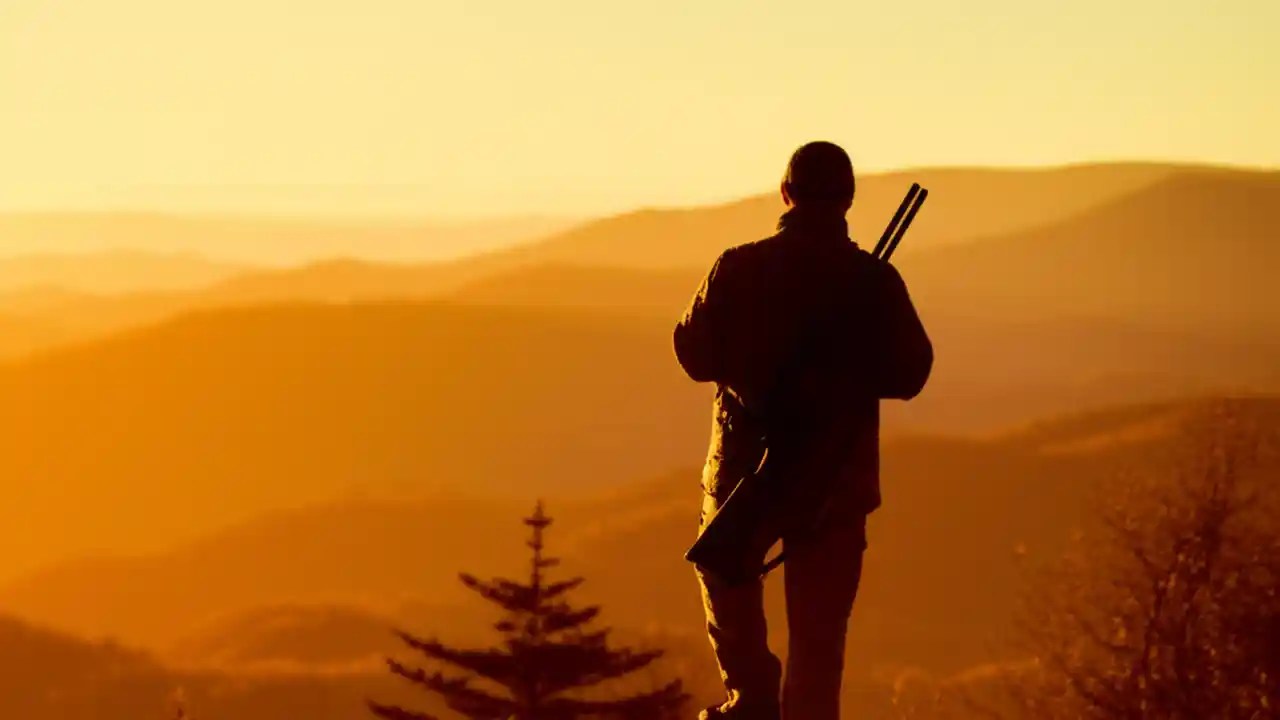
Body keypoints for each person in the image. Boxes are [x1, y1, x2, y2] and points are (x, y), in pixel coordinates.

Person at [673, 141, 933, 720]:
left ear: (785, 193)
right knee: (819, 638)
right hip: (837, 477)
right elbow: (913, 372)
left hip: (745, 470)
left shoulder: (738, 267)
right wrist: (846, 375)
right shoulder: (875, 280)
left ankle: (750, 698)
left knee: (724, 573)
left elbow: (692, 353)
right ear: (848, 200)